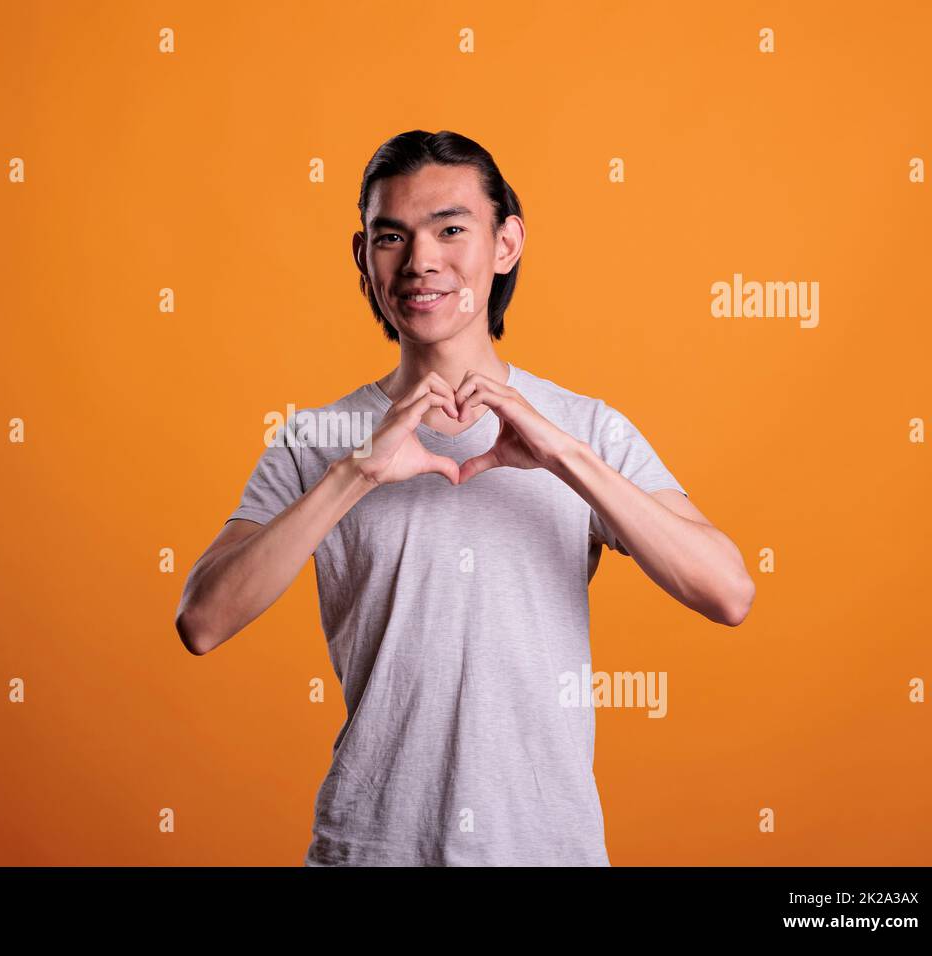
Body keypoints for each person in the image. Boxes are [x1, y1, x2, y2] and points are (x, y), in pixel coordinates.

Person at [174, 130, 754, 866]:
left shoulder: (584, 429)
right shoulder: (319, 440)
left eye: (451, 229)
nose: (420, 261)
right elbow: (203, 619)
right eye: (392, 236)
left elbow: (728, 591)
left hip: (547, 849)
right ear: (364, 258)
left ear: (505, 243)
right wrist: (356, 472)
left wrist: (564, 457)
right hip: (369, 849)